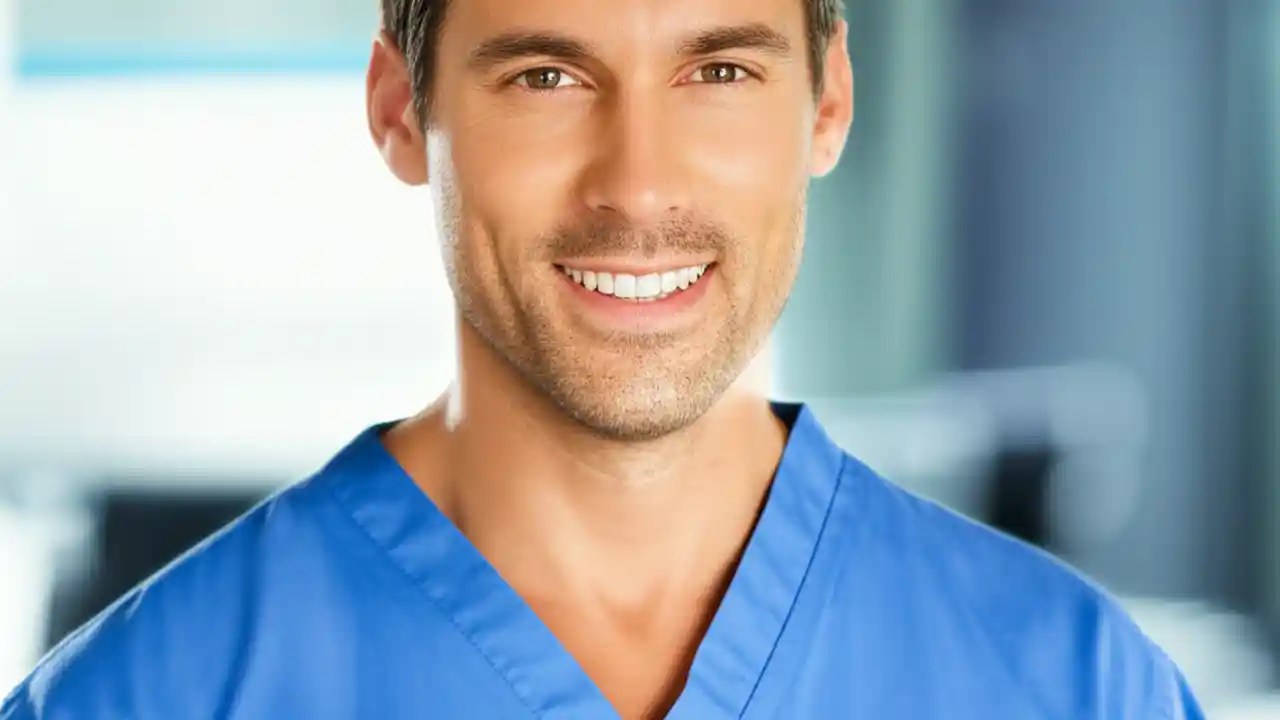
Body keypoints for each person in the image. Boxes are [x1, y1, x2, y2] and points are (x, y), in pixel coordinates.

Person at [3, 0, 1203, 718]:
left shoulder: (1073, 686)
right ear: (395, 109)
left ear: (826, 102)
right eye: (546, 75)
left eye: (718, 71)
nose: (637, 184)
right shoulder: (155, 696)